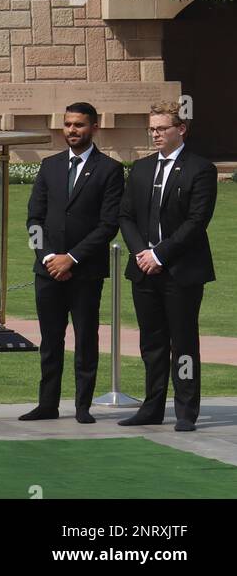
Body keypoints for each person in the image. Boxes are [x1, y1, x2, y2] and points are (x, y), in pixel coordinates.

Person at [18, 102, 124, 424]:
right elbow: (34, 219)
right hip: (47, 271)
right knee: (50, 342)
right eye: (67, 125)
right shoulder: (49, 167)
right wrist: (50, 258)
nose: (71, 131)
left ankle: (82, 407)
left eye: (78, 125)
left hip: (85, 273)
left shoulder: (109, 170)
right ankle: (47, 404)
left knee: (85, 340)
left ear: (93, 128)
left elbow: (108, 224)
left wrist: (71, 258)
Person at [117, 101, 217, 432]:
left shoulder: (200, 169)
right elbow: (126, 215)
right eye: (152, 129)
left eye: (162, 128)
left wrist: (160, 255)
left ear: (181, 130)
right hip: (143, 270)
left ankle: (186, 410)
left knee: (184, 342)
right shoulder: (142, 168)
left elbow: (196, 220)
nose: (155, 134)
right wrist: (141, 254)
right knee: (152, 342)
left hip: (181, 271)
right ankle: (152, 406)